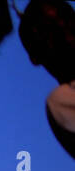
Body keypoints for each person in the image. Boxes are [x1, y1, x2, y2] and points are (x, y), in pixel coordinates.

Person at [20, 0, 75, 160]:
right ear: (35, 56)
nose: (62, 26)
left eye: (66, 17)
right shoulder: (61, 101)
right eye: (47, 28)